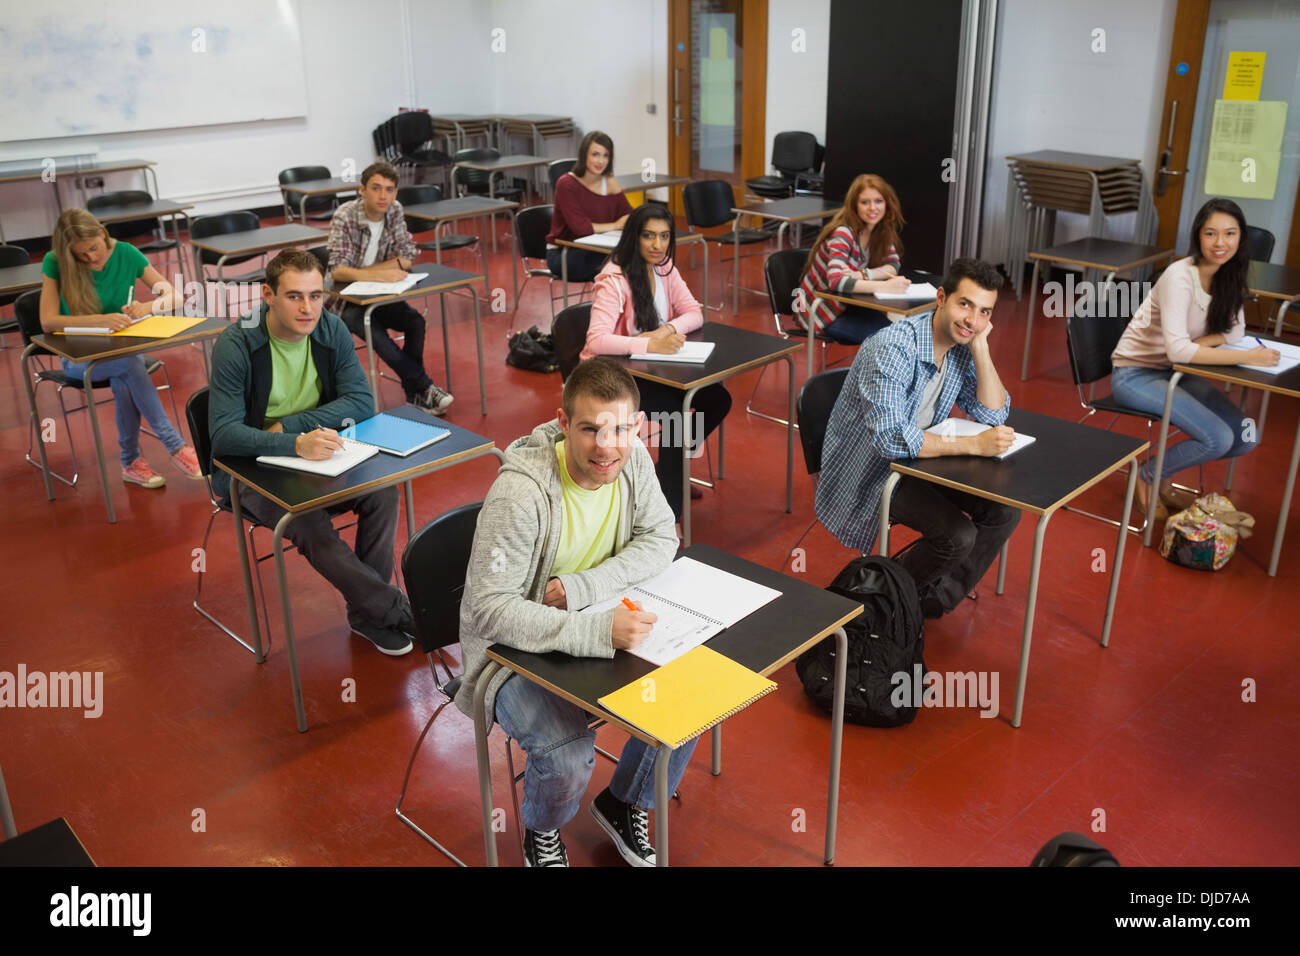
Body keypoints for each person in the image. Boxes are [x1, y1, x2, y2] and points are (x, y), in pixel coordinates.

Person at [455, 357, 688, 867]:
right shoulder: (520, 492)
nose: (607, 446)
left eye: (621, 429)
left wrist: (582, 588)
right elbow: (490, 611)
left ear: (636, 427)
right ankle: (542, 828)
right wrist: (594, 630)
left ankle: (625, 803)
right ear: (563, 424)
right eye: (589, 429)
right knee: (566, 756)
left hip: (595, 619)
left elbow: (661, 537)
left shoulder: (633, 460)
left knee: (692, 695)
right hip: (511, 652)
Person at [208, 249, 414, 656]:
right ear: (268, 294)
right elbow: (224, 436)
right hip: (252, 466)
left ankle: (366, 614)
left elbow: (360, 402)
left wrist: (290, 428)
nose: (308, 308)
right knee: (307, 521)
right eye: (294, 296)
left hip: (316, 449)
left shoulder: (331, 329)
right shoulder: (237, 342)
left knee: (384, 490)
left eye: (316, 296)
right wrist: (291, 444)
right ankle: (395, 611)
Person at [816, 257, 1020, 619]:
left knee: (1004, 510)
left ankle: (927, 599)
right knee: (957, 536)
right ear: (941, 297)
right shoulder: (893, 348)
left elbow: (994, 413)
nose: (973, 320)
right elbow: (891, 440)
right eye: (965, 304)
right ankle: (879, 604)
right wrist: (974, 445)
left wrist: (982, 349)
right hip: (872, 472)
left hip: (918, 461)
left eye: (985, 312)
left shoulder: (963, 344)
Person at [1111, 197, 1277, 519]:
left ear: (1240, 237)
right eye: (1210, 233)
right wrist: (1249, 358)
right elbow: (1178, 351)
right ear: (1198, 236)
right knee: (1218, 438)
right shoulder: (1180, 276)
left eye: (1229, 233)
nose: (1220, 243)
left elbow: (1236, 330)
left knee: (1246, 435)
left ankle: (1159, 475)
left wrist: (1201, 343)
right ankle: (1147, 476)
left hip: (1175, 371)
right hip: (1135, 374)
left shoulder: (1229, 274)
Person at [582, 203, 732, 525]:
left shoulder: (664, 268)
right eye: (648, 236)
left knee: (717, 398)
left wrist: (665, 331)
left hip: (649, 369)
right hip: (611, 376)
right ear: (634, 237)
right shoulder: (613, 278)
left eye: (664, 236)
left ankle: (668, 473)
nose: (657, 245)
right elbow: (596, 340)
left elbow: (694, 312)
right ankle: (668, 517)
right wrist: (650, 343)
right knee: (674, 415)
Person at [39, 208, 202, 488]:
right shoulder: (54, 261)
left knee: (125, 376)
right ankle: (175, 446)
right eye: (82, 254)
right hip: (78, 357)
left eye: (93, 248)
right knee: (130, 364)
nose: (91, 257)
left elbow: (174, 296)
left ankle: (130, 462)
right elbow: (48, 321)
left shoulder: (126, 253)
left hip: (121, 354)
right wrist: (99, 319)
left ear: (102, 233)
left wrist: (147, 306)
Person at [326, 161, 452, 414]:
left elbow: (407, 256)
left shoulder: (394, 210)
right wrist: (383, 272)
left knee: (415, 321)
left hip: (379, 293)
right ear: (362, 190)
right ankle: (423, 386)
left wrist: (373, 273)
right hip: (346, 300)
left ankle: (414, 394)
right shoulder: (346, 215)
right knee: (374, 329)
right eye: (376, 188)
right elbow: (339, 270)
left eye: (389, 189)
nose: (383, 196)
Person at [798, 173, 911, 344]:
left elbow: (893, 264)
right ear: (854, 206)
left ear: (887, 203)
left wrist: (865, 275)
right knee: (889, 339)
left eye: (878, 201)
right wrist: (885, 287)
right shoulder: (843, 233)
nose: (873, 207)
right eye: (865, 202)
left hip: (850, 305)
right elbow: (835, 281)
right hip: (822, 312)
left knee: (900, 334)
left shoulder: (880, 230)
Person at [546, 130, 633, 283]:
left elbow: (630, 216)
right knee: (621, 265)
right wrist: (615, 225)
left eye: (606, 155)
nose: (601, 161)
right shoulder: (566, 184)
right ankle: (615, 305)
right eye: (595, 154)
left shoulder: (610, 182)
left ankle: (626, 305)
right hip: (565, 253)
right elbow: (582, 229)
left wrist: (622, 221)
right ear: (584, 155)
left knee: (641, 257)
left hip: (599, 249)